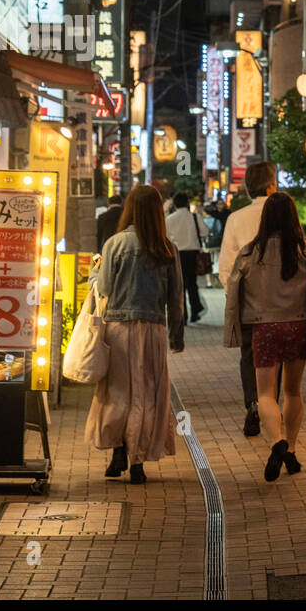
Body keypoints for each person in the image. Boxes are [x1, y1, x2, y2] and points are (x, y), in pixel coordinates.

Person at [223, 191, 306, 482]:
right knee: (293, 392)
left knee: (265, 394)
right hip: (299, 325)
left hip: (264, 327)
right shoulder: (305, 251)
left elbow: (234, 293)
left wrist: (234, 328)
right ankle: (291, 449)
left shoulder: (249, 253)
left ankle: (276, 443)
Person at [86, 185, 185, 484]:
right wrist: (176, 335)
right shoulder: (167, 247)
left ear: (128, 209)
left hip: (118, 330)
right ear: (158, 212)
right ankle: (138, 460)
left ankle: (117, 449)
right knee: (147, 395)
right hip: (153, 330)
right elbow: (176, 297)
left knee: (117, 393)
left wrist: (94, 270)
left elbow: (103, 289)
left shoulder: (115, 244)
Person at [219, 161, 277, 436]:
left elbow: (226, 268)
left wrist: (235, 297)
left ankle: (254, 404)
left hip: (249, 303)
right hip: (284, 303)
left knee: (250, 356)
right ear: (271, 185)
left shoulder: (236, 219)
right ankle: (274, 407)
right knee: (281, 355)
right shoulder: (284, 215)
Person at [165, 193, 208, 322]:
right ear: (187, 203)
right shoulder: (194, 217)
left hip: (176, 254)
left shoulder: (169, 219)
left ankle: (182, 315)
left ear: (175, 204)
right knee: (192, 283)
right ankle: (195, 310)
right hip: (193, 254)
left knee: (179, 286)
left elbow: (166, 237)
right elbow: (204, 232)